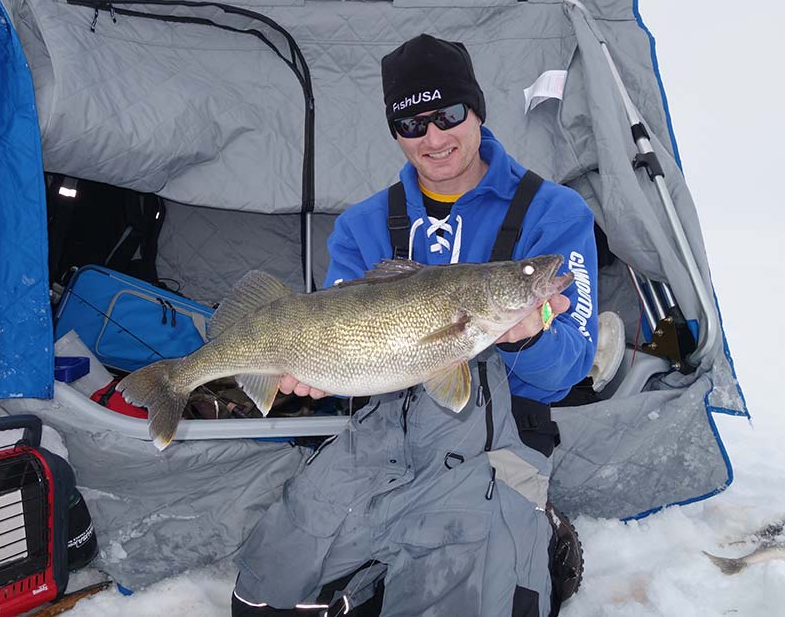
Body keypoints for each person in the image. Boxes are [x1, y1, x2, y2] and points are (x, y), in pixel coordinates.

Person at [231, 34, 598, 617]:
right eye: (411, 124)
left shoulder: (554, 213)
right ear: (395, 132)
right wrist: (316, 374)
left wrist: (530, 335)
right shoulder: (362, 225)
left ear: (477, 110)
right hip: (381, 431)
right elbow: (341, 340)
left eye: (447, 114)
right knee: (263, 601)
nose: (433, 137)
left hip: (504, 439)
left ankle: (538, 529)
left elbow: (567, 368)